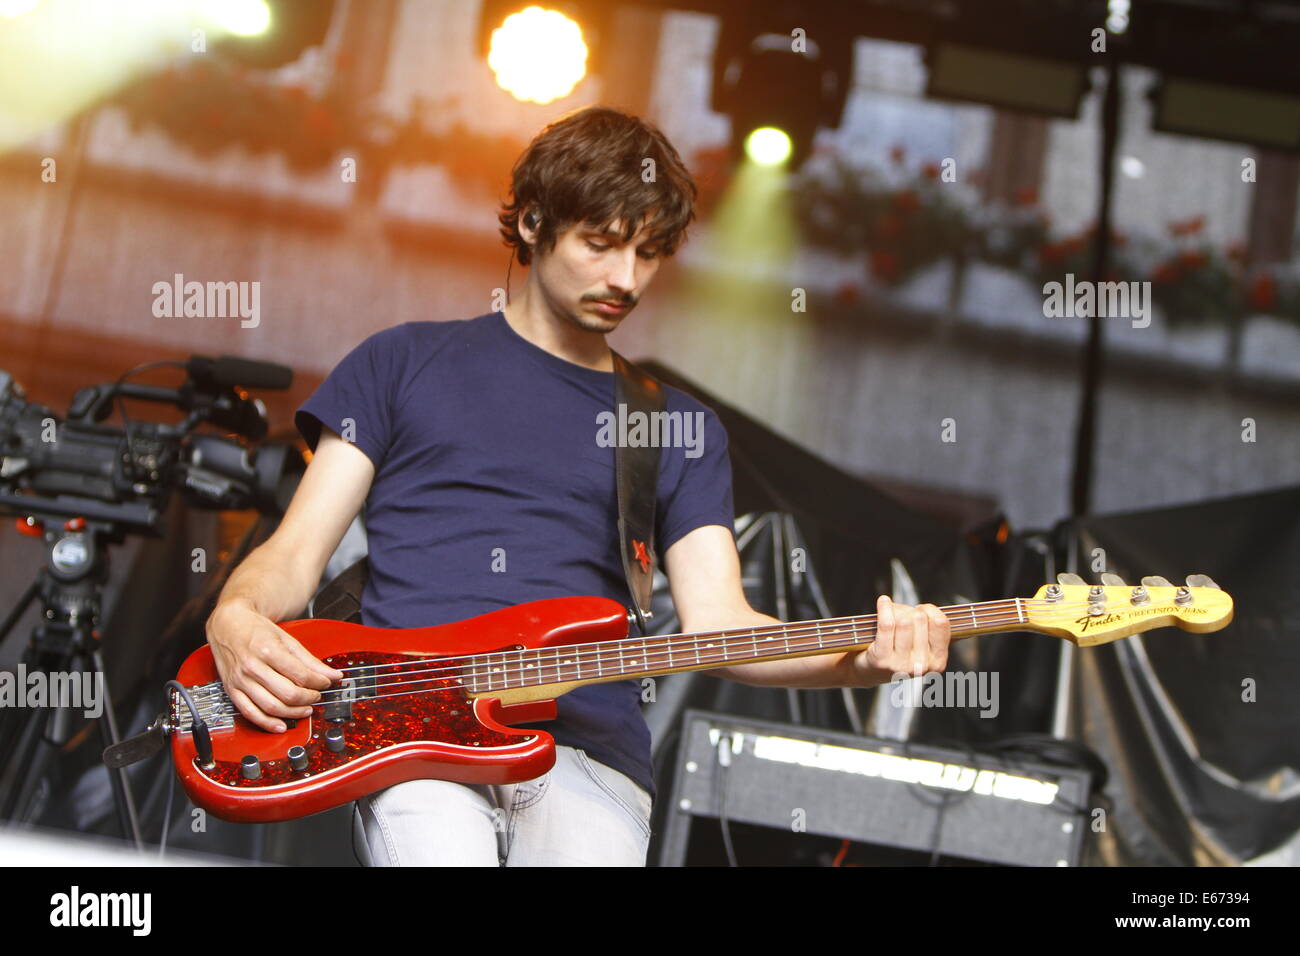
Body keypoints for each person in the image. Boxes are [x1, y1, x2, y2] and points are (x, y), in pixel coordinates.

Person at [203, 105, 952, 866]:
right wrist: (234, 615)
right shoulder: (399, 364)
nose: (626, 280)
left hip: (587, 755)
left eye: (651, 252)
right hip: (413, 739)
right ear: (533, 223)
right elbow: (295, 558)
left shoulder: (672, 425)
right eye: (601, 244)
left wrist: (859, 659)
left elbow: (719, 626)